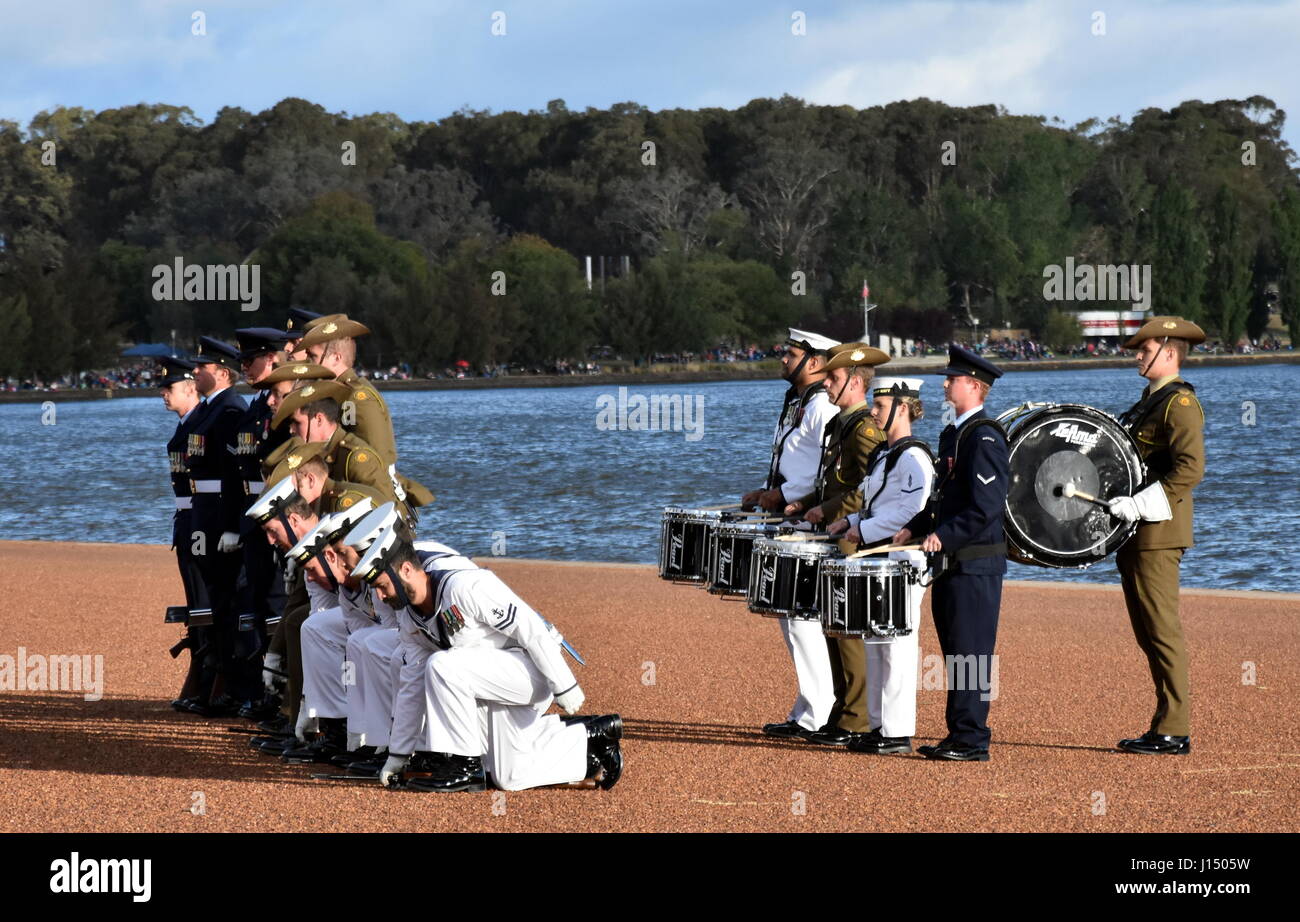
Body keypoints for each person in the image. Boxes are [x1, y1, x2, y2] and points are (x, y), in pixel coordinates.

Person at [353, 524, 623, 792]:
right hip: (486, 682)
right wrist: (398, 755)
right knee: (508, 775)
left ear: (407, 570)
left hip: (531, 670)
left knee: (443, 665)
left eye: (382, 586)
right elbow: (412, 684)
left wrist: (564, 684)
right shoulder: (409, 617)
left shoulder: (464, 587)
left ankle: (464, 767)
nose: (379, 596)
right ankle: (590, 739)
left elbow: (528, 627)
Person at [895, 345, 1008, 762]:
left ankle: (972, 738)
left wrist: (944, 535)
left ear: (974, 386)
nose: (945, 384)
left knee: (972, 652)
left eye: (953, 379)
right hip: (953, 563)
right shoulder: (954, 434)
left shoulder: (984, 437)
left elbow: (986, 506)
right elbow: (945, 498)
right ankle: (959, 733)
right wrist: (919, 525)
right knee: (956, 651)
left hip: (976, 562)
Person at [783, 342, 888, 746]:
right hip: (834, 535)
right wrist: (805, 503)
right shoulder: (840, 424)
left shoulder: (863, 429)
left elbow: (869, 490)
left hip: (849, 539)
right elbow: (833, 482)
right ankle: (841, 712)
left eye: (834, 378)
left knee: (848, 631)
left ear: (856, 384)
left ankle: (856, 718)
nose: (826, 383)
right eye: (827, 376)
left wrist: (825, 509)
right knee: (833, 627)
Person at [1110, 316, 1206, 755]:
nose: (1137, 355)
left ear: (1169, 352)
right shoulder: (1151, 402)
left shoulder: (1178, 404)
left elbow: (1190, 469)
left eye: (1144, 350)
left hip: (1158, 531)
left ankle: (1175, 728)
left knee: (1162, 630)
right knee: (1148, 631)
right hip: (1137, 532)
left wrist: (1141, 504)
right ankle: (1164, 723)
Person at [742, 328, 842, 740]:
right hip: (790, 522)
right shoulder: (799, 403)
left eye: (791, 353)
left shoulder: (823, 408)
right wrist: (768, 495)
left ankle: (817, 713)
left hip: (809, 524)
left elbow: (825, 472)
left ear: (815, 362)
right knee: (791, 619)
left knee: (803, 620)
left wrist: (779, 495)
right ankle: (807, 707)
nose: (783, 359)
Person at [828, 377, 934, 754]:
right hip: (878, 556)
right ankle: (879, 726)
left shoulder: (915, 456)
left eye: (881, 406)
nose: (873, 412)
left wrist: (865, 529)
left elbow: (913, 511)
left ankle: (898, 731)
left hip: (902, 559)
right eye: (873, 404)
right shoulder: (885, 455)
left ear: (903, 408)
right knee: (876, 642)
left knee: (898, 646)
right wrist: (851, 523)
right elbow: (878, 505)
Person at [296, 315, 434, 507]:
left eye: (313, 357)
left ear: (336, 358)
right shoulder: (332, 394)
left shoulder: (357, 398)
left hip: (369, 498)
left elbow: (374, 461)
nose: (308, 364)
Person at [187, 336, 253, 715]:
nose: (195, 371)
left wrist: (232, 524)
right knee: (215, 599)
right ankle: (221, 685)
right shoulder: (211, 409)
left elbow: (235, 474)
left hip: (220, 515)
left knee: (227, 600)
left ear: (223, 373)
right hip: (203, 513)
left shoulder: (230, 410)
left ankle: (233, 688)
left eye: (203, 367)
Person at [156, 356, 212, 712]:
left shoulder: (202, 425)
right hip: (188, 521)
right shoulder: (185, 427)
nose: (163, 394)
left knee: (204, 604)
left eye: (169, 388)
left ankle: (207, 683)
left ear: (191, 388)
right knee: (197, 603)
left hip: (202, 521)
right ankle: (201, 680)